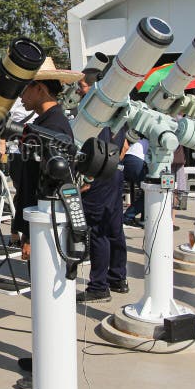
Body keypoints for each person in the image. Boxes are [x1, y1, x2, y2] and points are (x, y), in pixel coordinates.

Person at [13, 58, 81, 389]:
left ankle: (48, 367)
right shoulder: (48, 121)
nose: (21, 96)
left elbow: (42, 185)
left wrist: (27, 232)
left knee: (47, 294)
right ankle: (41, 355)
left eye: (25, 88)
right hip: (40, 219)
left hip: (46, 224)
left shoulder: (52, 127)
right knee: (40, 295)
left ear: (40, 87)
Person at [74, 78, 129, 303]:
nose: (78, 90)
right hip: (113, 175)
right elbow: (123, 148)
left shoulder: (95, 117)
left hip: (98, 178)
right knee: (114, 228)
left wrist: (88, 177)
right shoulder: (117, 114)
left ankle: (98, 285)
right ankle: (117, 277)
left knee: (97, 231)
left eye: (83, 86)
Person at [122, 137, 148, 226]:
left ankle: (142, 217)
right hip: (137, 161)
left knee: (145, 192)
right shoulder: (153, 138)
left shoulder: (142, 139)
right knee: (148, 193)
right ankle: (127, 216)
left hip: (127, 158)